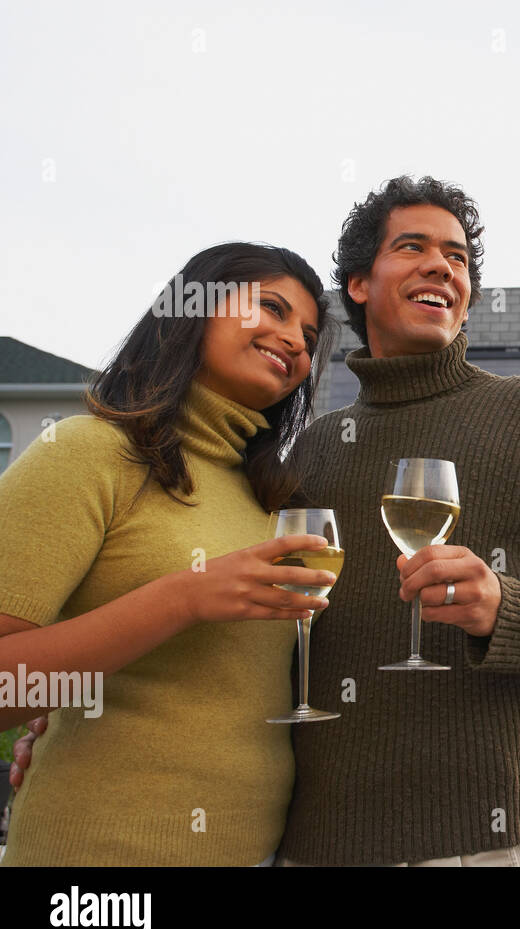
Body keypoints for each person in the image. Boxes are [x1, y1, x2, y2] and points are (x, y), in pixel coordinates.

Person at [274, 176, 520, 866]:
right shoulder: (313, 446)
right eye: (413, 246)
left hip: (479, 833)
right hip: (321, 831)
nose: (442, 267)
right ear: (359, 283)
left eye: (457, 257)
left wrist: (503, 607)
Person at [0, 243, 340, 865]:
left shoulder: (273, 498)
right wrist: (182, 598)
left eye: (310, 336)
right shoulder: (85, 453)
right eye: (271, 307)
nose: (296, 341)